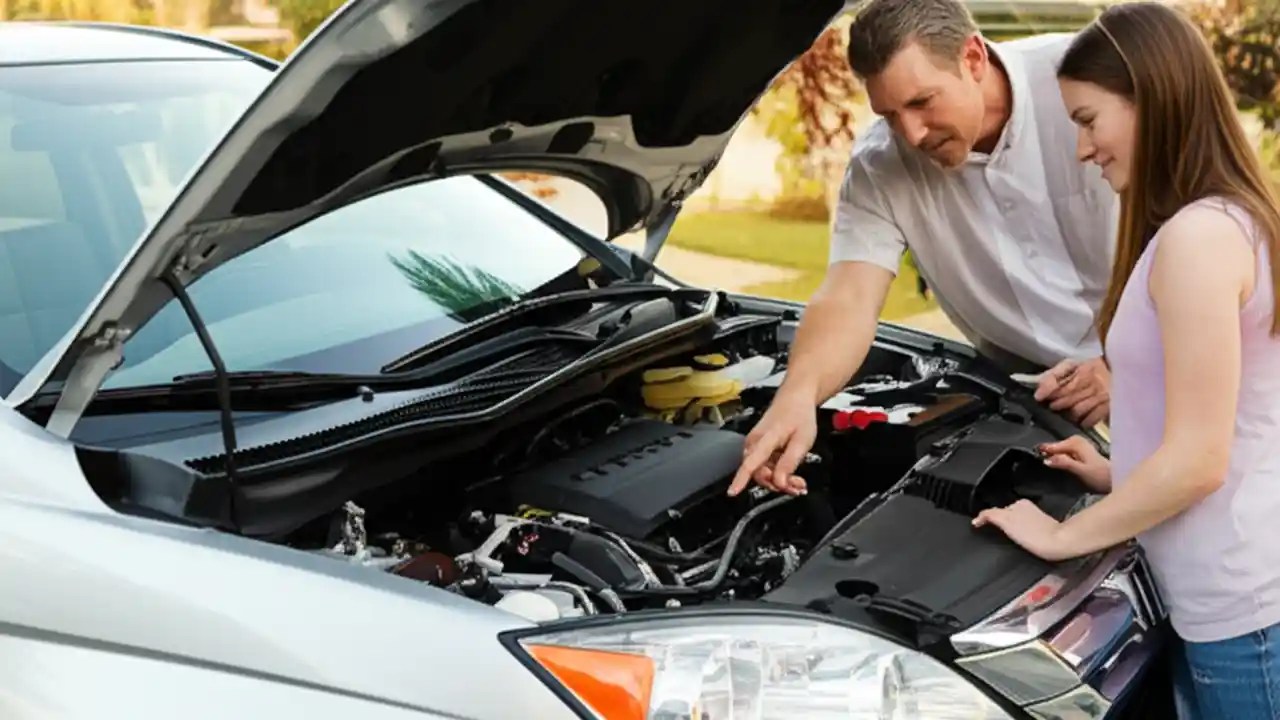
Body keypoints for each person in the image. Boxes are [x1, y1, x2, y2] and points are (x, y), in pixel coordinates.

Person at [972, 3, 1280, 717]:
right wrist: (1121, 470)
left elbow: (1201, 460)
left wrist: (1061, 534)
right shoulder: (1222, 222)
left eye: (1087, 119)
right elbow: (1236, 429)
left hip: (1245, 616)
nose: (1083, 148)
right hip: (1231, 601)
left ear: (1152, 98)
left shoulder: (1198, 240)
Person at [729, 0, 1117, 497]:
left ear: (972, 58)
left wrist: (1120, 362)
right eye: (889, 115)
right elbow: (849, 297)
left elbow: (1190, 228)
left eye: (921, 102)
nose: (910, 134)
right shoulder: (879, 167)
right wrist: (798, 395)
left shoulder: (1084, 83)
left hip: (1176, 369)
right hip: (1037, 412)